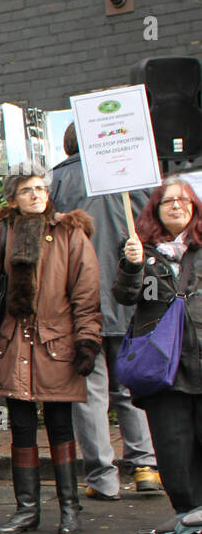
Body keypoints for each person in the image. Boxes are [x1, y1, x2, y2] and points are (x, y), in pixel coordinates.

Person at [0, 170, 100, 534]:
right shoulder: (3, 232)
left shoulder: (69, 232)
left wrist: (88, 341)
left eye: (41, 188)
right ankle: (27, 510)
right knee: (21, 429)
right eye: (27, 190)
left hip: (56, 344)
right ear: (13, 200)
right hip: (14, 343)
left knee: (60, 425)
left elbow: (86, 294)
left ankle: (70, 509)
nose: (36, 195)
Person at [49, 124, 161, 499]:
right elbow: (153, 229)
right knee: (131, 386)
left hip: (81, 303)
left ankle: (103, 478)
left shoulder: (58, 180)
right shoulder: (132, 173)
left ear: (67, 146)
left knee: (90, 392)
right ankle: (146, 467)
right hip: (129, 297)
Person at [114, 177, 202, 513]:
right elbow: (126, 296)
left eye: (184, 200)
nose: (177, 205)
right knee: (175, 458)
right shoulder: (141, 252)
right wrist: (132, 266)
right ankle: (189, 522)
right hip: (165, 372)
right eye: (168, 201)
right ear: (156, 209)